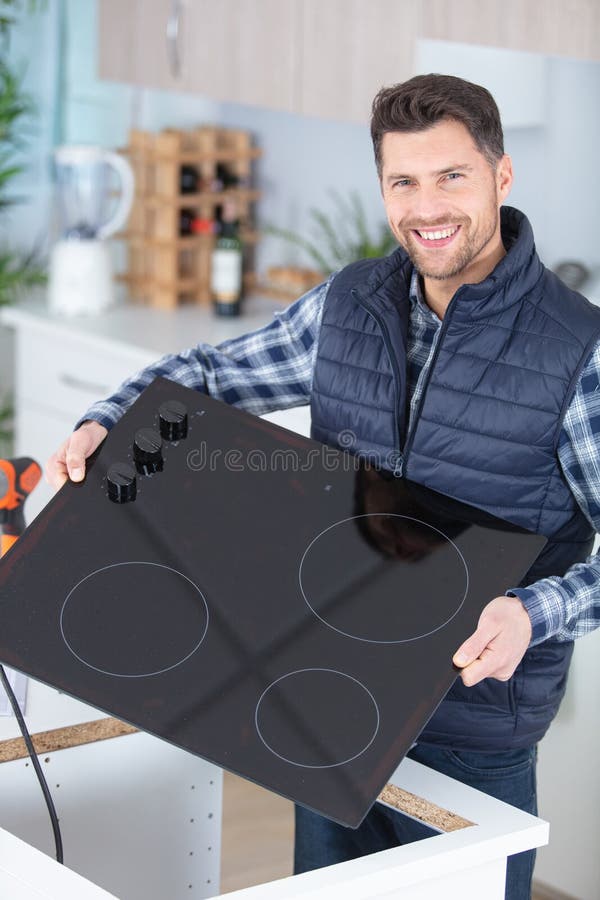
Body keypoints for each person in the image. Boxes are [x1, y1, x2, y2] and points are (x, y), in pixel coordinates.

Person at [46, 74, 600, 900]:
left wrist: (536, 612)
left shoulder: (577, 350)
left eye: (452, 176)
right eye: (403, 182)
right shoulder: (348, 307)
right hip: (332, 707)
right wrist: (110, 417)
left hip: (471, 729)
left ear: (500, 177)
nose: (428, 206)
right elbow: (206, 373)